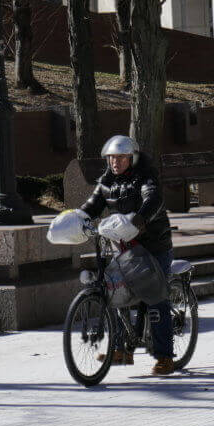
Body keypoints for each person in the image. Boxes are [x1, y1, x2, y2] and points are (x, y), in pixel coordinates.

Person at [80, 135, 176, 375]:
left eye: (121, 157)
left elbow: (153, 199)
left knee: (156, 299)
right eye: (111, 157)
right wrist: (76, 218)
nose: (115, 162)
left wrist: (139, 220)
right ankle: (121, 349)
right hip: (125, 248)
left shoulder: (145, 176)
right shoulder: (106, 182)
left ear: (131, 158)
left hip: (154, 245)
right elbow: (92, 205)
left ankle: (165, 356)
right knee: (115, 292)